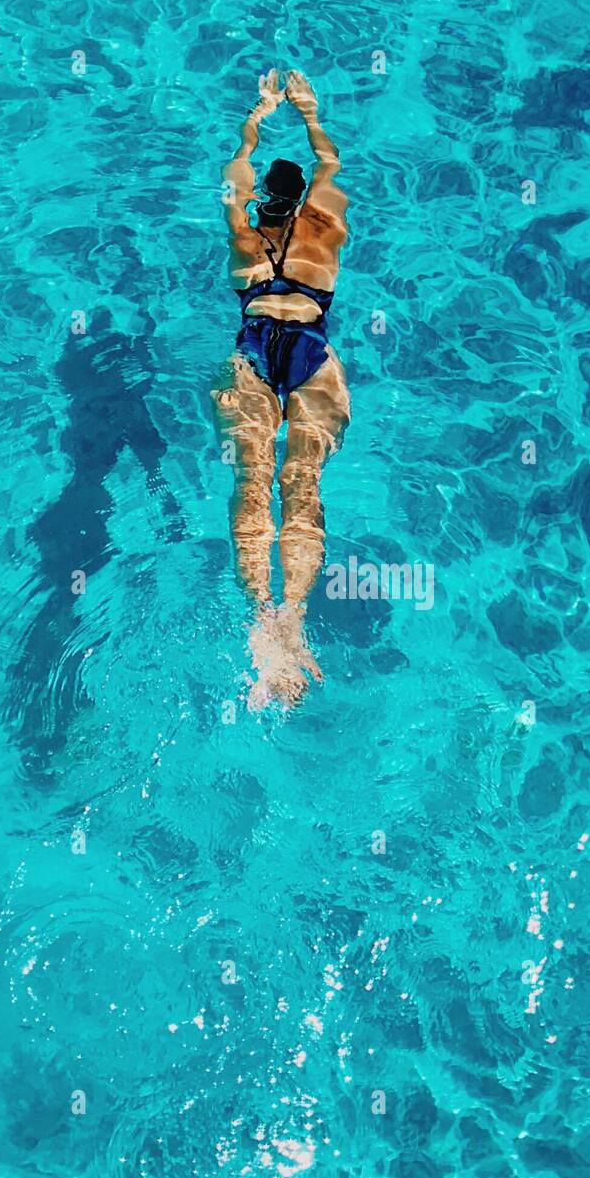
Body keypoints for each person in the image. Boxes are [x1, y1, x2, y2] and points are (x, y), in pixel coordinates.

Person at [213, 69, 350, 709]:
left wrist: (259, 115)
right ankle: (293, 613)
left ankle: (261, 614)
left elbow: (234, 168)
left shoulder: (243, 234)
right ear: (301, 201)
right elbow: (330, 159)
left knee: (253, 478)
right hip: (311, 352)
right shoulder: (323, 223)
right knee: (303, 482)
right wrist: (308, 109)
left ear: (266, 197)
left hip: (253, 351)